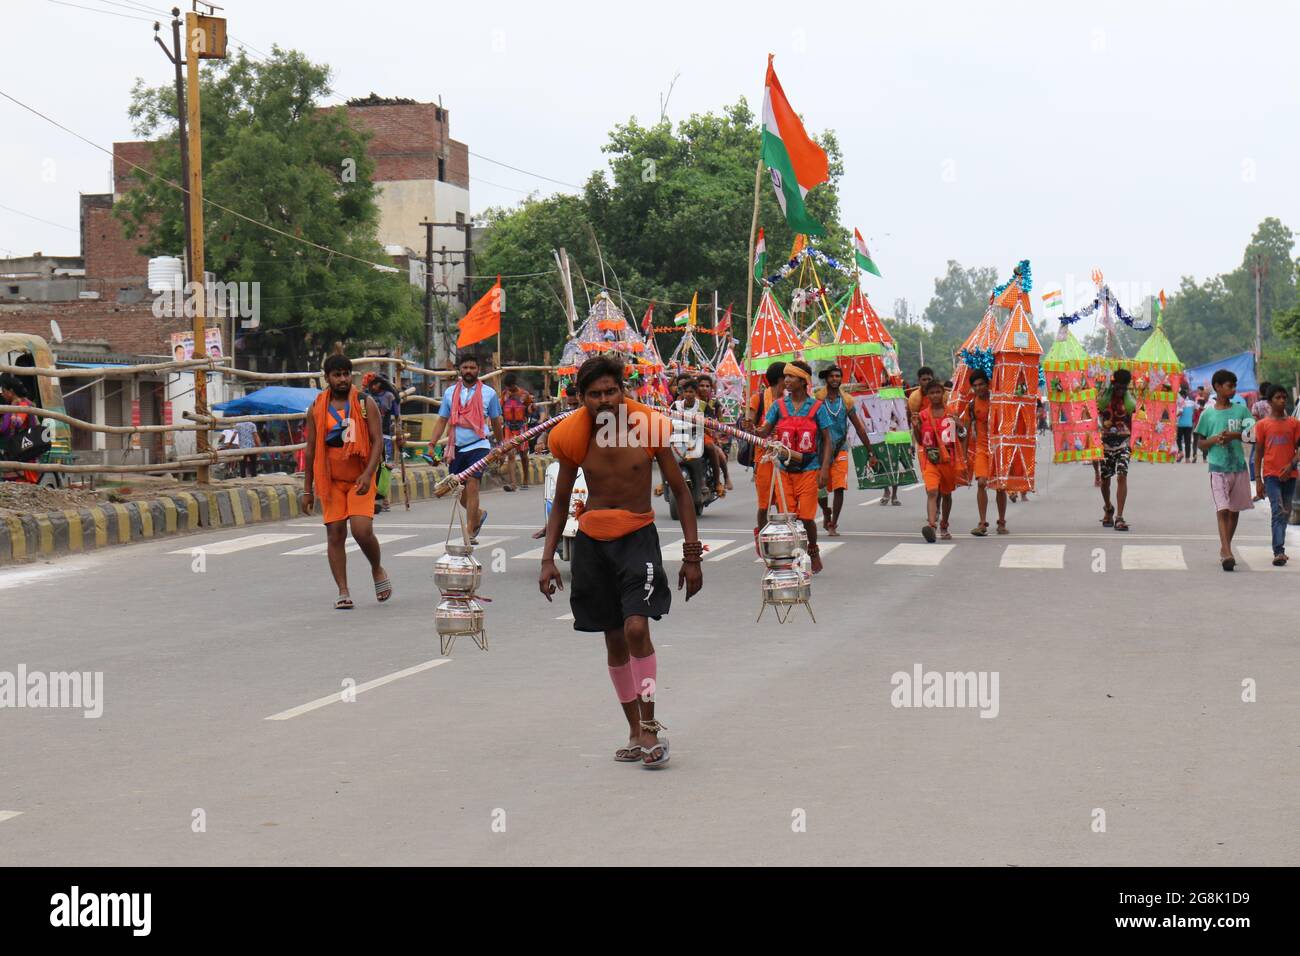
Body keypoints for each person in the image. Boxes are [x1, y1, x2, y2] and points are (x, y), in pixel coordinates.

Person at [540, 355, 702, 769]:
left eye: (612, 391)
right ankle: (633, 730)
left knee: (635, 628)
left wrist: (691, 555)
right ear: (582, 398)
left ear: (623, 390)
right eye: (595, 394)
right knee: (612, 639)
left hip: (637, 539)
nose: (605, 400)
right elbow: (561, 500)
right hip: (592, 543)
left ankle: (650, 725)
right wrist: (548, 560)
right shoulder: (571, 435)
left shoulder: (648, 426)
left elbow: (681, 493)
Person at [301, 354, 391, 609]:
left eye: (345, 374)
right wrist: (307, 489)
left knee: (362, 531)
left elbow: (377, 442)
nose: (342, 379)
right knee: (335, 532)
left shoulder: (365, 403)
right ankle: (343, 590)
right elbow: (310, 451)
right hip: (331, 481)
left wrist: (368, 473)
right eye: (336, 375)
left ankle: (377, 568)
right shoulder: (316, 408)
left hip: (360, 478)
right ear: (326, 378)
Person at [754, 360, 833, 573]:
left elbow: (827, 439)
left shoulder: (817, 407)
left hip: (809, 469)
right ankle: (791, 559)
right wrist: (751, 429)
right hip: (784, 471)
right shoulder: (778, 406)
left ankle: (813, 550)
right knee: (788, 520)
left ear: (803, 381)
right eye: (785, 376)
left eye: (791, 377)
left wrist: (825, 469)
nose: (786, 380)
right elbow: (764, 431)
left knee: (807, 518)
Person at [426, 354, 505, 545]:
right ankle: (478, 514)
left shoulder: (489, 394)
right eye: (465, 367)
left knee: (472, 484)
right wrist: (432, 443)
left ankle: (470, 530)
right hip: (455, 448)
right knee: (459, 492)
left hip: (479, 445)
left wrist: (501, 446)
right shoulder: (449, 393)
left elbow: (496, 421)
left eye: (472, 367)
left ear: (479, 370)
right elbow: (442, 420)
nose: (469, 371)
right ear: (459, 370)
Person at [1195, 368, 1254, 571]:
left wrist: (1234, 436)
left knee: (1234, 510)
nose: (1233, 389)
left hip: (1238, 466)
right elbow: (1201, 443)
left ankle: (1224, 547)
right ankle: (1228, 551)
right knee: (1223, 509)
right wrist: (1215, 439)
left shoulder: (1241, 411)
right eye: (1230, 385)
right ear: (1217, 387)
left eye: (1235, 385)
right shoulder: (1208, 414)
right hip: (1218, 467)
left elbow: (1252, 436)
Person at [814, 365, 870, 536]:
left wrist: (870, 450)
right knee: (820, 488)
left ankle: (833, 524)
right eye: (831, 376)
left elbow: (859, 427)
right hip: (820, 450)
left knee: (839, 487)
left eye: (838, 376)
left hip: (840, 449)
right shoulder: (817, 399)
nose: (835, 379)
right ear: (826, 379)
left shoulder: (846, 401)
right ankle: (825, 510)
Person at [1253, 383, 1300, 566]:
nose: (1281, 401)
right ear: (1269, 402)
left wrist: (1291, 464)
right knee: (1278, 510)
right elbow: (1259, 453)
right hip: (1271, 475)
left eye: (1284, 397)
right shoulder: (1263, 425)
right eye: (1277, 398)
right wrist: (1258, 479)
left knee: (1285, 511)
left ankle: (1279, 548)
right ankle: (1279, 551)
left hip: (1291, 475)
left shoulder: (1294, 424)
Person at [913, 378, 964, 542]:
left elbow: (962, 436)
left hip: (948, 460)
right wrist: (915, 427)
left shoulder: (951, 413)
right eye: (931, 393)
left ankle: (944, 525)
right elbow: (920, 441)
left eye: (938, 392)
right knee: (932, 491)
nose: (935, 395)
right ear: (927, 396)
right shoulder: (922, 416)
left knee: (946, 494)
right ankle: (932, 526)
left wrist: (960, 426)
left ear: (943, 394)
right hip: (931, 459)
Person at [746, 362, 786, 551]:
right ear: (781, 379)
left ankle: (782, 539)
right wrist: (750, 427)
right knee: (764, 504)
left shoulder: (790, 399)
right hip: (763, 458)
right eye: (788, 376)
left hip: (785, 456)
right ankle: (761, 539)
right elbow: (751, 428)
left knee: (783, 502)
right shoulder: (758, 399)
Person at [964, 369, 1008, 536]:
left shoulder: (998, 400)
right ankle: (982, 523)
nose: (978, 388)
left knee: (999, 486)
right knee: (981, 483)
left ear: (988, 384)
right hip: (981, 448)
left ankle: (1001, 522)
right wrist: (963, 455)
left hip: (998, 447)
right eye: (975, 385)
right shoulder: (972, 405)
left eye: (981, 384)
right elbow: (967, 431)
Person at [1096, 368, 1135, 531]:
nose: (1121, 390)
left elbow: (1133, 408)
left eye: (1124, 387)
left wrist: (1125, 393)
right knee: (1105, 480)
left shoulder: (1129, 396)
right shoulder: (1105, 394)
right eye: (1118, 387)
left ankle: (1119, 516)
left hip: (1124, 442)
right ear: (1114, 383)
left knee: (1121, 475)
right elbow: (1099, 405)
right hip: (1104, 442)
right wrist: (1110, 390)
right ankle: (1108, 507)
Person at [364, 373, 402, 512]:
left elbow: (397, 417)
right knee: (370, 466)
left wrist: (399, 434)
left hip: (384, 436)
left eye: (373, 384)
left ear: (379, 384)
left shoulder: (389, 397)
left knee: (384, 467)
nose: (371, 387)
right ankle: (371, 499)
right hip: (368, 436)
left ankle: (384, 499)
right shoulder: (366, 397)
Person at [0, 373, 40, 484]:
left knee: (23, 485)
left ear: (11, 391)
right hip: (22, 451)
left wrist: (11, 410)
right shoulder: (21, 404)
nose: (2, 394)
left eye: (3, 390)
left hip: (23, 451)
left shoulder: (23, 405)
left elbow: (16, 423)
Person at [694, 375, 731, 495]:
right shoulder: (690, 400)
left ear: (711, 388)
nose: (704, 388)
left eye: (707, 386)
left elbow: (720, 421)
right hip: (689, 433)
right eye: (701, 386)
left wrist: (718, 431)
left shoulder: (714, 403)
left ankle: (720, 481)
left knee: (715, 450)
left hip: (708, 435)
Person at [499, 372, 534, 493]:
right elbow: (500, 409)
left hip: (521, 427)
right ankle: (513, 484)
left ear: (515, 384)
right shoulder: (504, 395)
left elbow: (531, 408)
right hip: (508, 427)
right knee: (511, 454)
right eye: (508, 386)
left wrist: (530, 408)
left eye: (511, 386)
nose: (510, 389)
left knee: (524, 454)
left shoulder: (524, 394)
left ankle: (525, 480)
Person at [1175, 385, 1195, 463]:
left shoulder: (1180, 403)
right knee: (1187, 441)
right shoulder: (1192, 402)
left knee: (1178, 439)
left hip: (1180, 424)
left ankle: (1180, 451)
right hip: (1189, 425)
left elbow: (1180, 411)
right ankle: (1187, 458)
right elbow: (1197, 408)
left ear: (1182, 395)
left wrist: (1174, 417)